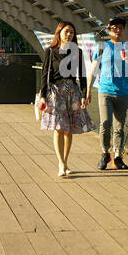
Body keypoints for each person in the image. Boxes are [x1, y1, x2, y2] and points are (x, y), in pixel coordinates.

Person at [38, 21, 93, 177]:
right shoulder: (50, 51)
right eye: (66, 31)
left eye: (72, 32)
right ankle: (61, 164)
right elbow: (44, 75)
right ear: (59, 32)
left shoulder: (78, 52)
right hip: (55, 92)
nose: (69, 34)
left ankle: (65, 162)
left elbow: (82, 75)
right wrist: (42, 96)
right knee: (58, 128)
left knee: (69, 130)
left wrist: (83, 94)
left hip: (72, 92)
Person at [87, 17, 128, 170]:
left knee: (120, 126)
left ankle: (118, 157)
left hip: (122, 91)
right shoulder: (103, 47)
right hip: (105, 91)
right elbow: (94, 70)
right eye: (114, 27)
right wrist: (88, 89)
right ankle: (104, 153)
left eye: (120, 27)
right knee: (105, 123)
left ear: (123, 30)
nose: (117, 30)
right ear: (109, 30)